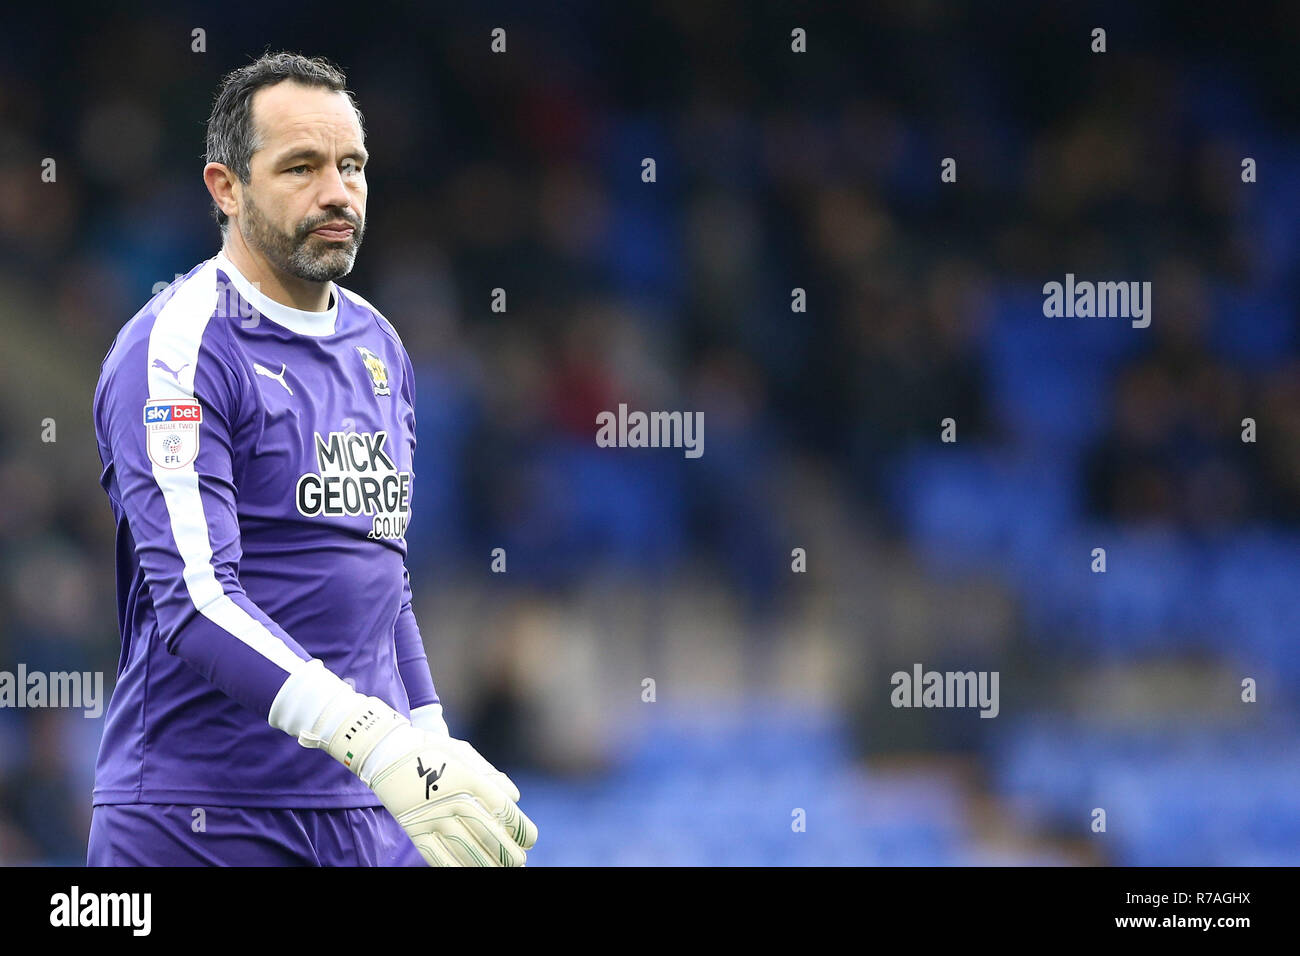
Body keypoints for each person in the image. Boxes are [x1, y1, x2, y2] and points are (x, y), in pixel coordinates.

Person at [87, 52, 535, 867]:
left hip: (369, 810)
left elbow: (381, 574)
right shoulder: (179, 346)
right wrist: (376, 743)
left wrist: (430, 744)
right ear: (226, 188)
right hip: (202, 823)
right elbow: (195, 601)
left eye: (352, 165)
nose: (338, 192)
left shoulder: (378, 341)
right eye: (301, 167)